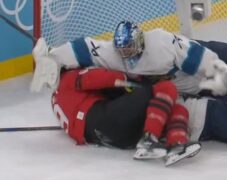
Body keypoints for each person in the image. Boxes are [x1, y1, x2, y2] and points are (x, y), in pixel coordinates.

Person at [31, 21, 227, 148]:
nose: (127, 55)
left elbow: (201, 59)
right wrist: (52, 57)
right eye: (122, 50)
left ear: (141, 41)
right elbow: (81, 48)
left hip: (192, 76)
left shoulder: (161, 43)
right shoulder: (112, 53)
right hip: (175, 91)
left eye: (131, 49)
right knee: (223, 112)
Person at [49, 63, 201, 166]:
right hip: (104, 120)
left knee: (175, 108)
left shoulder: (56, 98)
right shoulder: (69, 77)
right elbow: (106, 78)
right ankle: (148, 141)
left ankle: (177, 145)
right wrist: (131, 80)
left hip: (108, 137)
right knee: (167, 88)